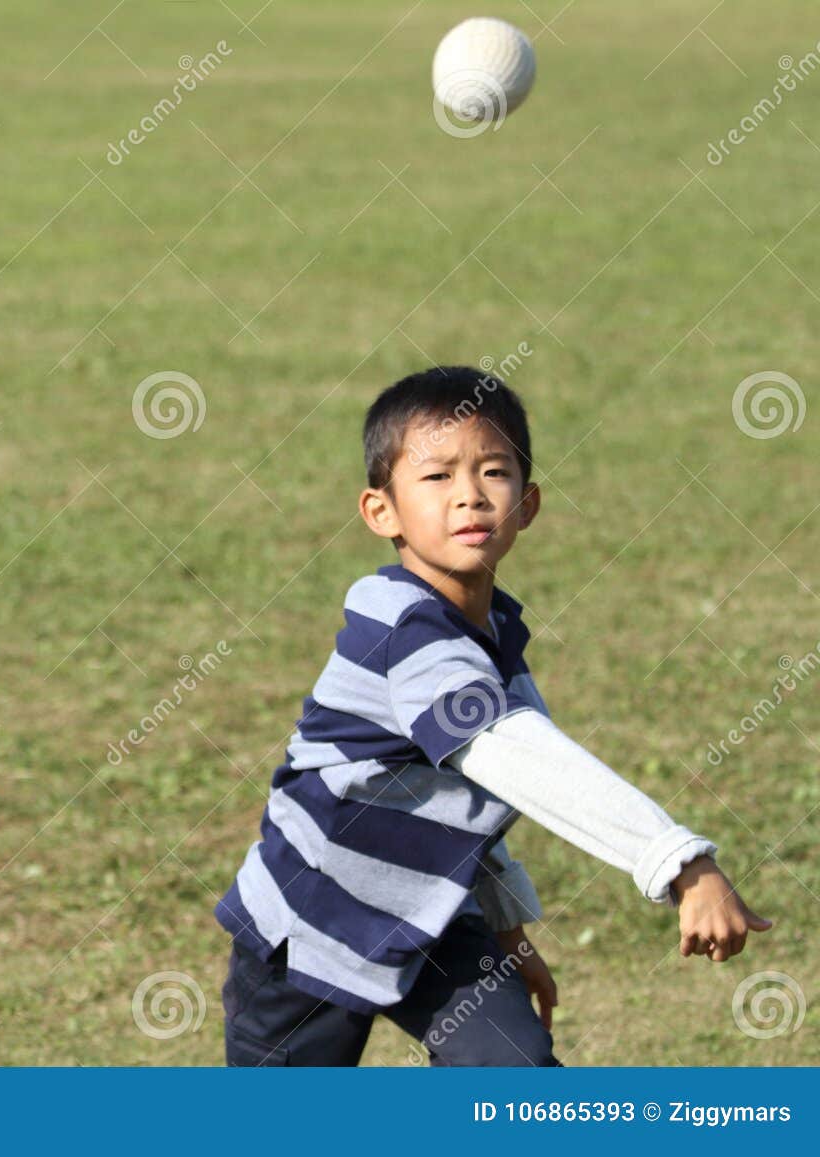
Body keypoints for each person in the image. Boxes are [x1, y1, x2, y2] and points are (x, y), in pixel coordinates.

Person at [214, 365, 773, 1066]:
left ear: (529, 503)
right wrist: (679, 861)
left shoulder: (490, 628)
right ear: (379, 510)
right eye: (437, 477)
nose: (470, 496)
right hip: (310, 925)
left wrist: (506, 929)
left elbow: (459, 800)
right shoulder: (405, 634)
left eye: (494, 471)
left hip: (435, 918)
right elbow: (514, 758)